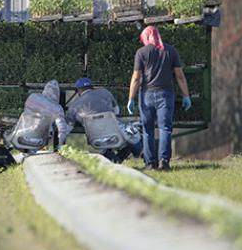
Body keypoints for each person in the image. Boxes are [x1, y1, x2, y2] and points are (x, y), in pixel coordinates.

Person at [127, 26, 191, 170]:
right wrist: (186, 95)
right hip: (166, 94)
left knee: (148, 130)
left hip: (147, 95)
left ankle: (150, 163)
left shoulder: (141, 52)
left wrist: (131, 98)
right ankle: (164, 162)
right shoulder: (171, 51)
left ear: (145, 37)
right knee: (165, 129)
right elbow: (179, 76)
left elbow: (136, 78)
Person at [66, 77, 142, 162]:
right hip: (115, 133)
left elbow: (68, 126)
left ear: (78, 91)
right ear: (92, 87)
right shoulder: (105, 92)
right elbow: (116, 111)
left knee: (105, 149)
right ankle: (124, 157)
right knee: (133, 134)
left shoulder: (74, 105)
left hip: (95, 138)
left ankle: (115, 160)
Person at [19, 80, 71, 148]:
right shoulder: (57, 108)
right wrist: (60, 145)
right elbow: (62, 129)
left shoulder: (33, 97)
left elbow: (26, 111)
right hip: (40, 138)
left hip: (23, 133)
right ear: (57, 94)